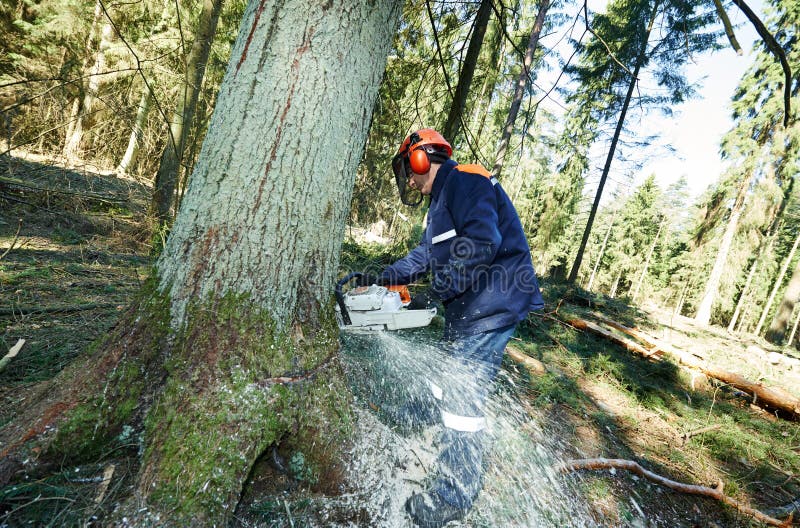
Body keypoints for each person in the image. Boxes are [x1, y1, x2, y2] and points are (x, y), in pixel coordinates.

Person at [360, 128, 544, 527]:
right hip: (469, 306)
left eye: (409, 170)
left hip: (493, 301)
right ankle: (422, 413)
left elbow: (482, 241)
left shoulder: (466, 180)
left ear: (422, 158)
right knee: (448, 372)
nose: (408, 179)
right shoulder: (441, 204)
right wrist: (387, 275)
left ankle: (454, 494)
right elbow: (428, 254)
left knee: (463, 398)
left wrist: (436, 290)